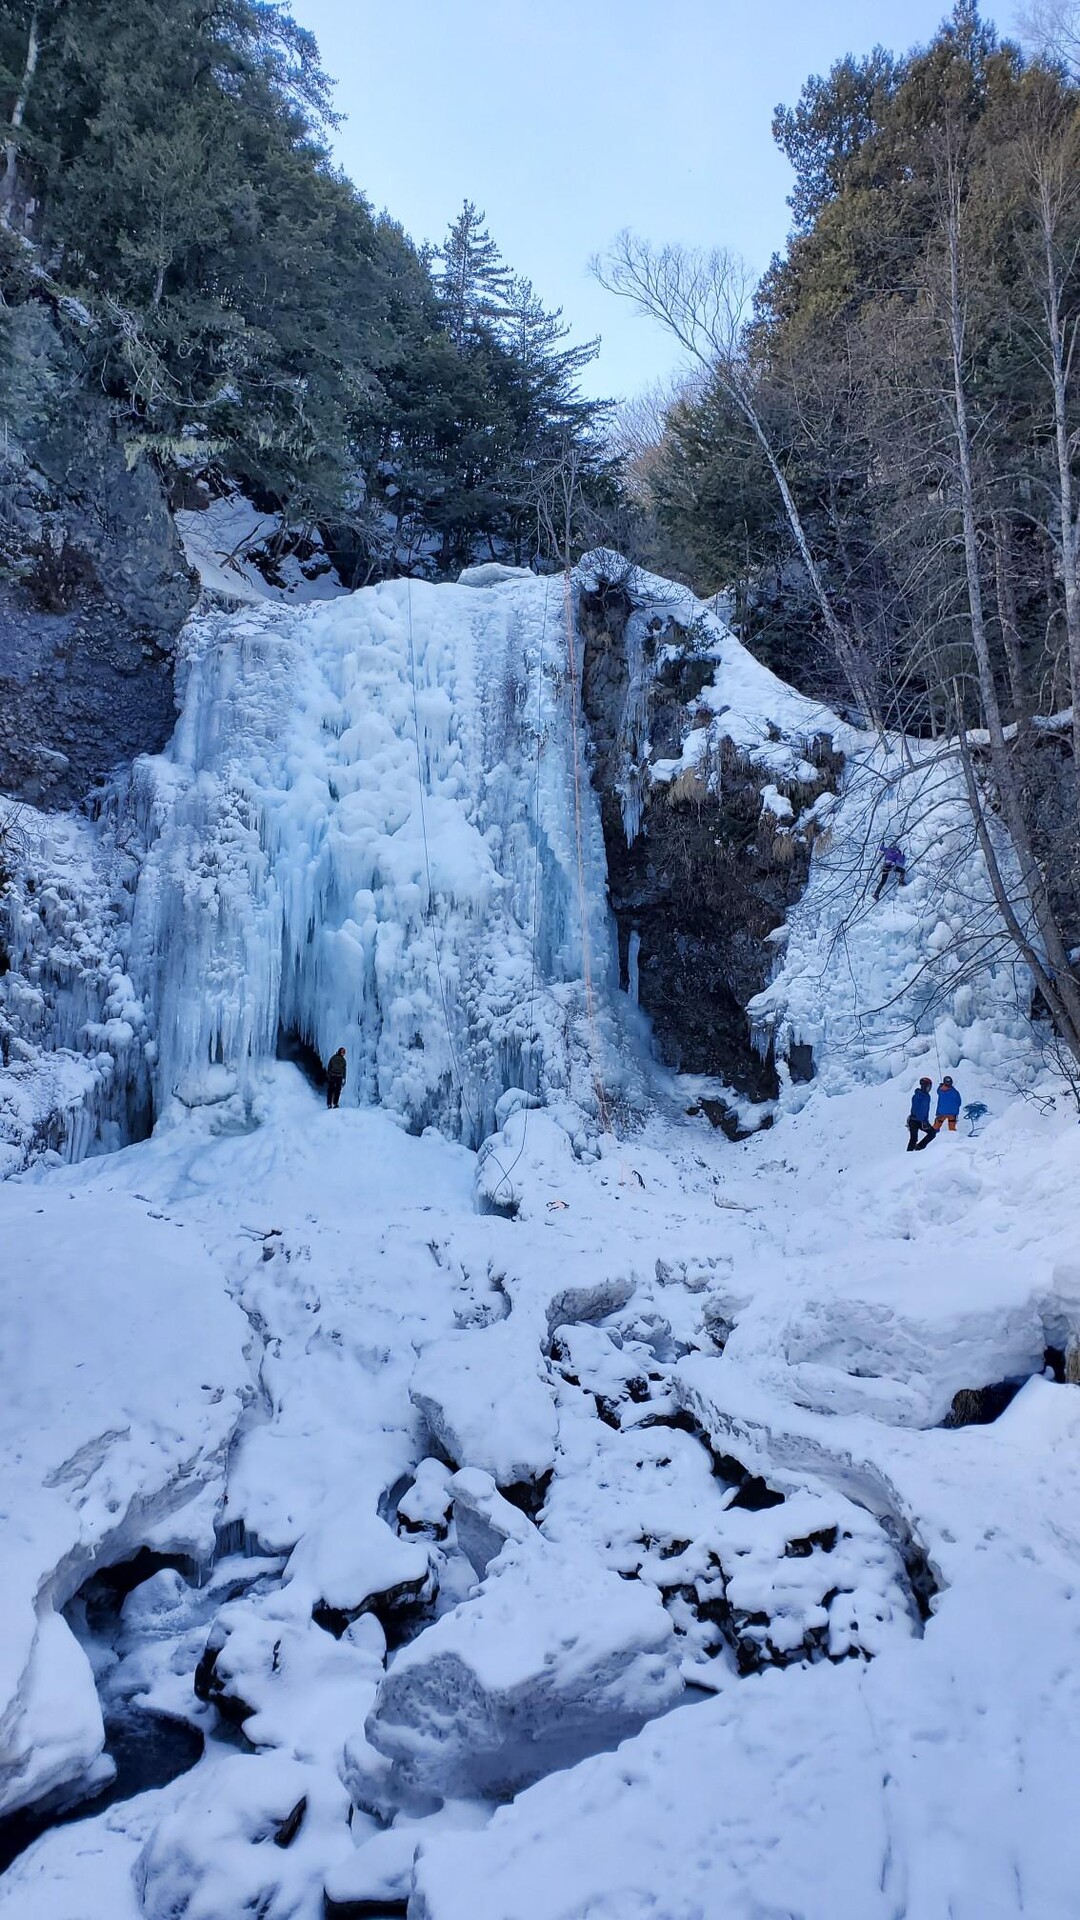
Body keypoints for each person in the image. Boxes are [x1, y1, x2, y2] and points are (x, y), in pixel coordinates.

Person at [906, 1077, 935, 1151]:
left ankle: (919, 1148)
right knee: (913, 1139)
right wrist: (924, 1121)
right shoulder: (917, 1096)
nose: (929, 1089)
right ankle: (907, 1156)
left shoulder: (927, 1096)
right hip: (914, 1120)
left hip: (921, 1121)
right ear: (924, 1086)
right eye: (928, 1087)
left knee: (932, 1133)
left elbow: (925, 1111)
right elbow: (918, 1110)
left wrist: (925, 1121)